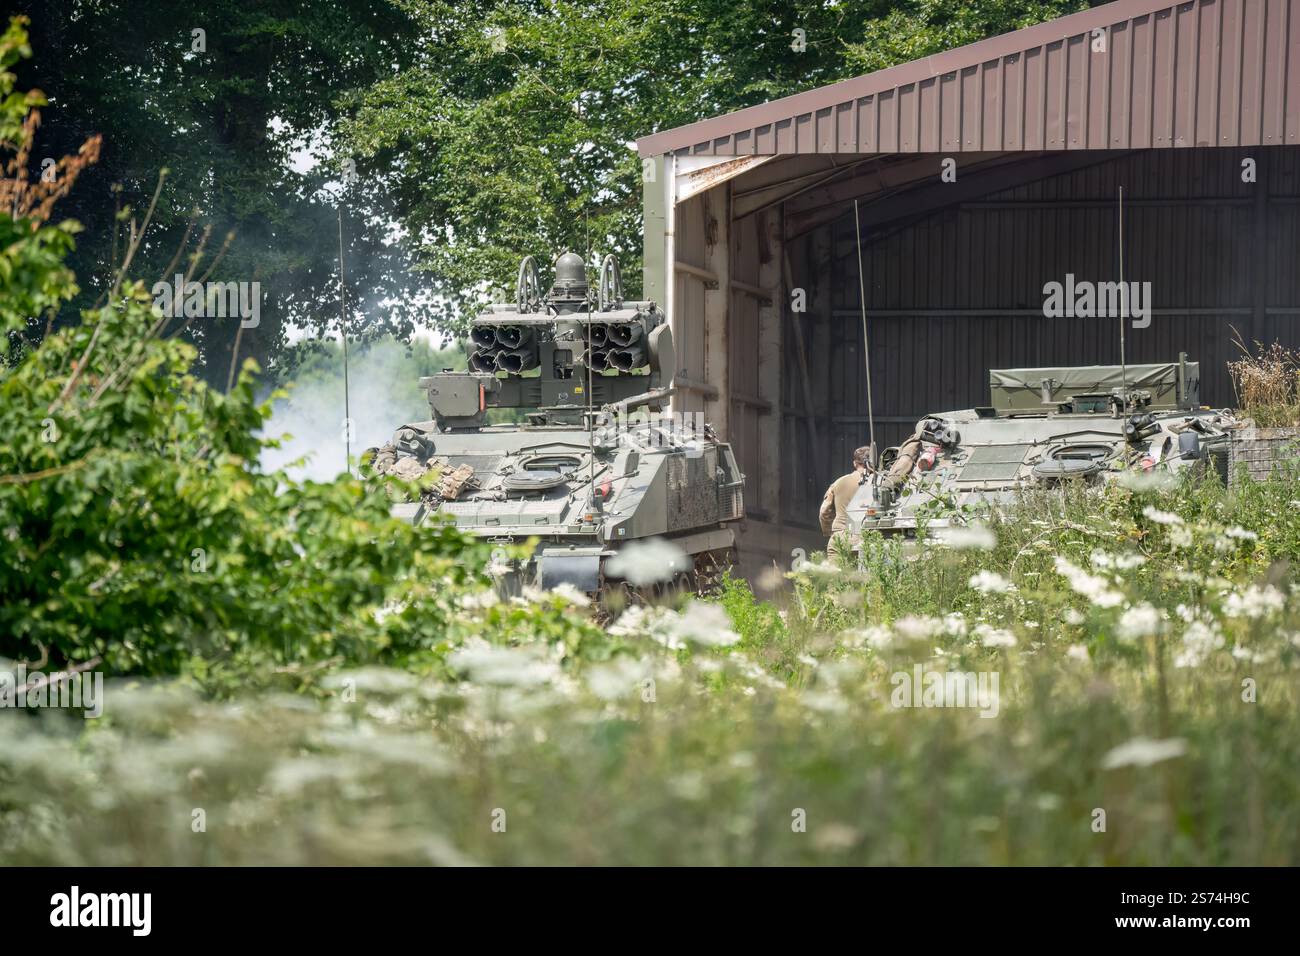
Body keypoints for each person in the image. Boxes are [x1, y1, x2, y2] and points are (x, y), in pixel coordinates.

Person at [819, 445, 872, 561]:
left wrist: (830, 532)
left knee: (835, 578)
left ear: (854, 463)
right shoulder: (877, 484)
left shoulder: (838, 482)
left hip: (839, 537)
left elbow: (824, 511)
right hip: (862, 538)